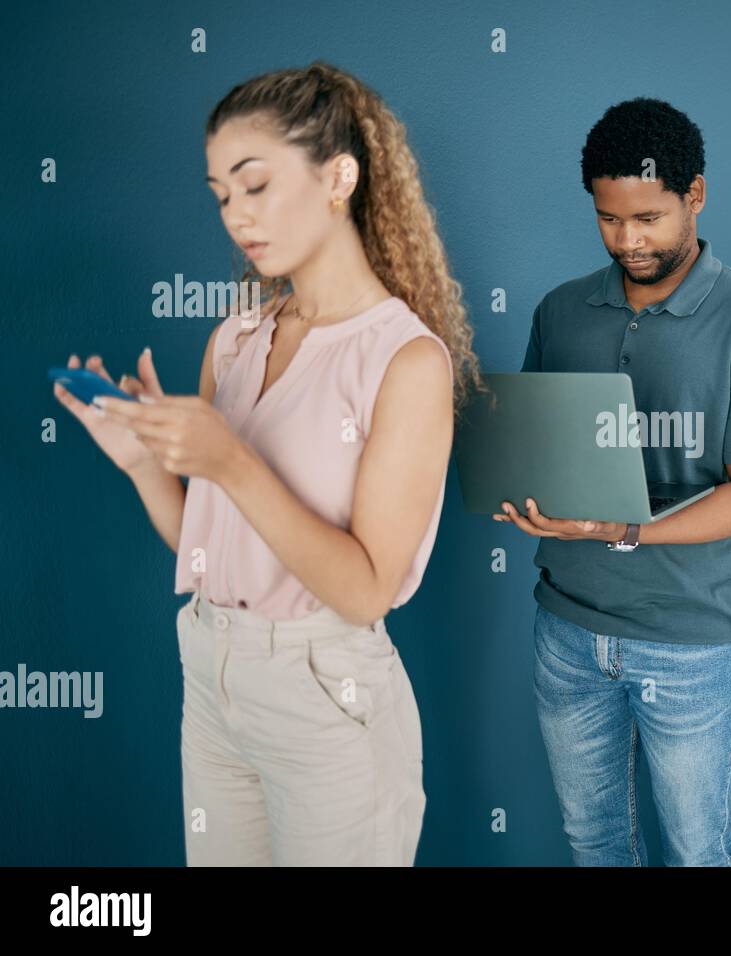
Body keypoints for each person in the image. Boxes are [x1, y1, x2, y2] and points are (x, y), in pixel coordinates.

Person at [52, 62, 482, 865]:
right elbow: (209, 546)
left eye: (255, 185)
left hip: (327, 695)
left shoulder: (404, 360)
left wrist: (234, 462)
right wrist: (144, 463)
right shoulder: (235, 338)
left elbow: (364, 588)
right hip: (213, 673)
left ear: (339, 176)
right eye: (221, 195)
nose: (236, 217)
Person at [495, 97, 731, 865]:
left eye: (649, 219)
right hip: (566, 628)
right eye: (609, 219)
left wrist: (624, 531)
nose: (628, 240)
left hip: (692, 640)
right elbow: (539, 441)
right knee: (593, 841)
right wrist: (516, 484)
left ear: (695, 195)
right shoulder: (561, 310)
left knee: (697, 850)